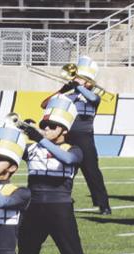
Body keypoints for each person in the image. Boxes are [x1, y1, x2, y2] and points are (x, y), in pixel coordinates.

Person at [15, 98, 98, 254]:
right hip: (33, 205)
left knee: (72, 252)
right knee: (26, 253)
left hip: (59, 207)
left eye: (52, 126)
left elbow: (69, 160)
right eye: (44, 126)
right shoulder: (31, 148)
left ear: (64, 130)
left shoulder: (74, 148)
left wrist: (41, 140)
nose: (46, 129)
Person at [42, 56, 112, 215]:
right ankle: (61, 199)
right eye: (77, 77)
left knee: (92, 172)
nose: (78, 80)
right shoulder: (67, 96)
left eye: (82, 79)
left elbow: (93, 98)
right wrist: (63, 89)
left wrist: (78, 87)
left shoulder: (94, 96)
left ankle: (103, 204)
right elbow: (44, 104)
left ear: (89, 82)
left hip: (84, 136)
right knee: (64, 170)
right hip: (65, 136)